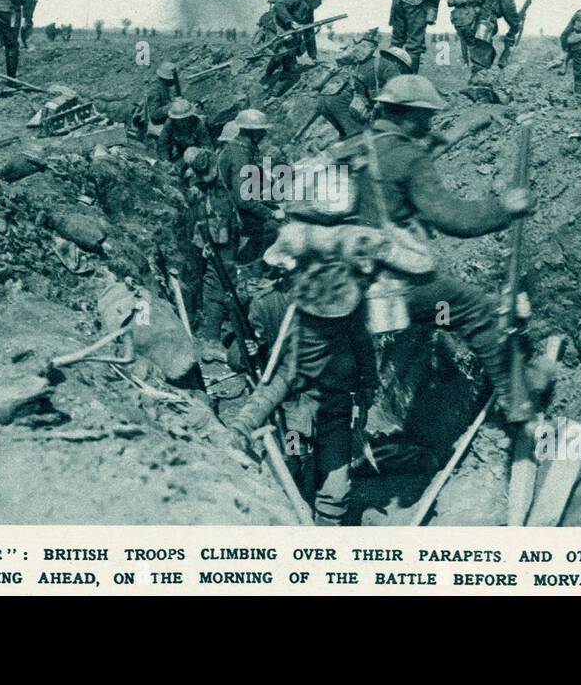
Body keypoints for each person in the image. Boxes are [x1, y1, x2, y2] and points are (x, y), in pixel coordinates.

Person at [358, 74, 540, 424]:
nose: (430, 122)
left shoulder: (359, 147)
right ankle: (516, 403)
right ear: (408, 114)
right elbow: (454, 219)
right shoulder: (406, 157)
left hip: (345, 275)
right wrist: (506, 206)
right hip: (391, 282)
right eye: (426, 115)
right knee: (476, 309)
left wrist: (462, 129)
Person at [225, 238, 380, 525]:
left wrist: (368, 385)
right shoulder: (266, 304)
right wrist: (244, 349)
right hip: (291, 410)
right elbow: (238, 358)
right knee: (293, 464)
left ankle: (325, 532)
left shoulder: (341, 301)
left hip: (335, 406)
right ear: (286, 272)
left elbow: (362, 345)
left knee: (336, 485)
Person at [183, 147, 241, 342]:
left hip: (208, 236)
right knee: (220, 281)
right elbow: (221, 230)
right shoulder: (214, 194)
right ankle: (212, 338)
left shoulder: (197, 185)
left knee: (216, 281)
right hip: (216, 238)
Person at [218, 108, 284, 262]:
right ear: (251, 132)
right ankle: (255, 269)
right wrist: (271, 213)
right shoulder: (240, 156)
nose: (264, 134)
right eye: (261, 131)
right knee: (274, 228)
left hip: (232, 200)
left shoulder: (240, 147)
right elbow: (244, 199)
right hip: (230, 210)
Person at [318, 41, 410, 139]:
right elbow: (399, 91)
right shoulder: (390, 66)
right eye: (403, 69)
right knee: (359, 138)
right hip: (342, 103)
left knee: (345, 136)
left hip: (324, 99)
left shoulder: (367, 62)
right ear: (398, 63)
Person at [264, 0, 324, 95]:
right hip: (277, 28)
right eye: (318, 1)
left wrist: (313, 55)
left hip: (290, 34)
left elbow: (309, 32)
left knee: (291, 67)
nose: (320, 4)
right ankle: (267, 77)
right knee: (279, 55)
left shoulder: (309, 12)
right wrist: (291, 22)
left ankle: (274, 94)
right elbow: (278, 6)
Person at [133, 60, 181, 141]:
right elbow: (154, 114)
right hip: (155, 125)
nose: (174, 81)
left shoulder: (164, 88)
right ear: (166, 79)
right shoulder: (155, 91)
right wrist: (171, 106)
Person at [157, 98, 211, 165]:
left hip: (197, 153)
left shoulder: (198, 124)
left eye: (185, 118)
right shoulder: (170, 124)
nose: (182, 121)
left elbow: (206, 145)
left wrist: (204, 157)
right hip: (181, 152)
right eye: (179, 119)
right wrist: (166, 161)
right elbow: (163, 145)